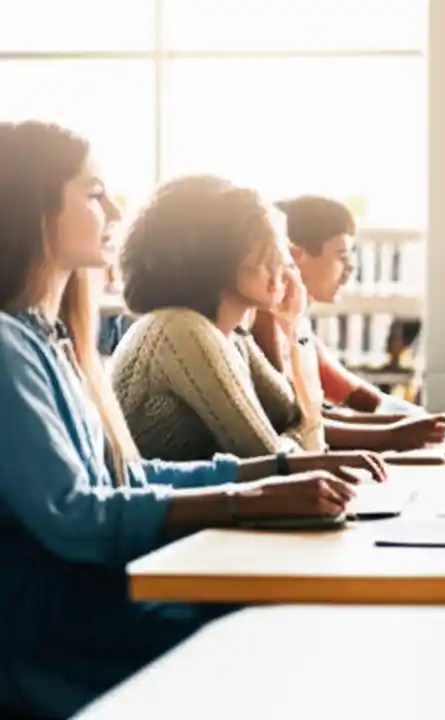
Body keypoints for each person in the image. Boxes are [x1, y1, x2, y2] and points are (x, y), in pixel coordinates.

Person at [0, 121, 383, 717]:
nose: (116, 210)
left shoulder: (54, 340)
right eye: (95, 194)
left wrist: (274, 476)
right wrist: (248, 497)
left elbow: (127, 476)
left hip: (94, 598)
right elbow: (77, 517)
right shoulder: (8, 348)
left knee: (293, 620)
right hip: (51, 632)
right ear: (35, 206)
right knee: (285, 632)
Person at [111, 178, 442, 460]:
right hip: (180, 536)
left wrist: (295, 325)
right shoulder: (181, 330)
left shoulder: (233, 337)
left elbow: (301, 420)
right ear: (216, 256)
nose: (283, 259)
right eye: (266, 244)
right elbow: (276, 459)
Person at [254, 195, 445, 437]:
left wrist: (425, 422)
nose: (352, 267)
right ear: (296, 255)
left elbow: (357, 395)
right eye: (342, 256)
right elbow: (292, 422)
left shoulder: (298, 326)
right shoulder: (267, 324)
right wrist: (392, 434)